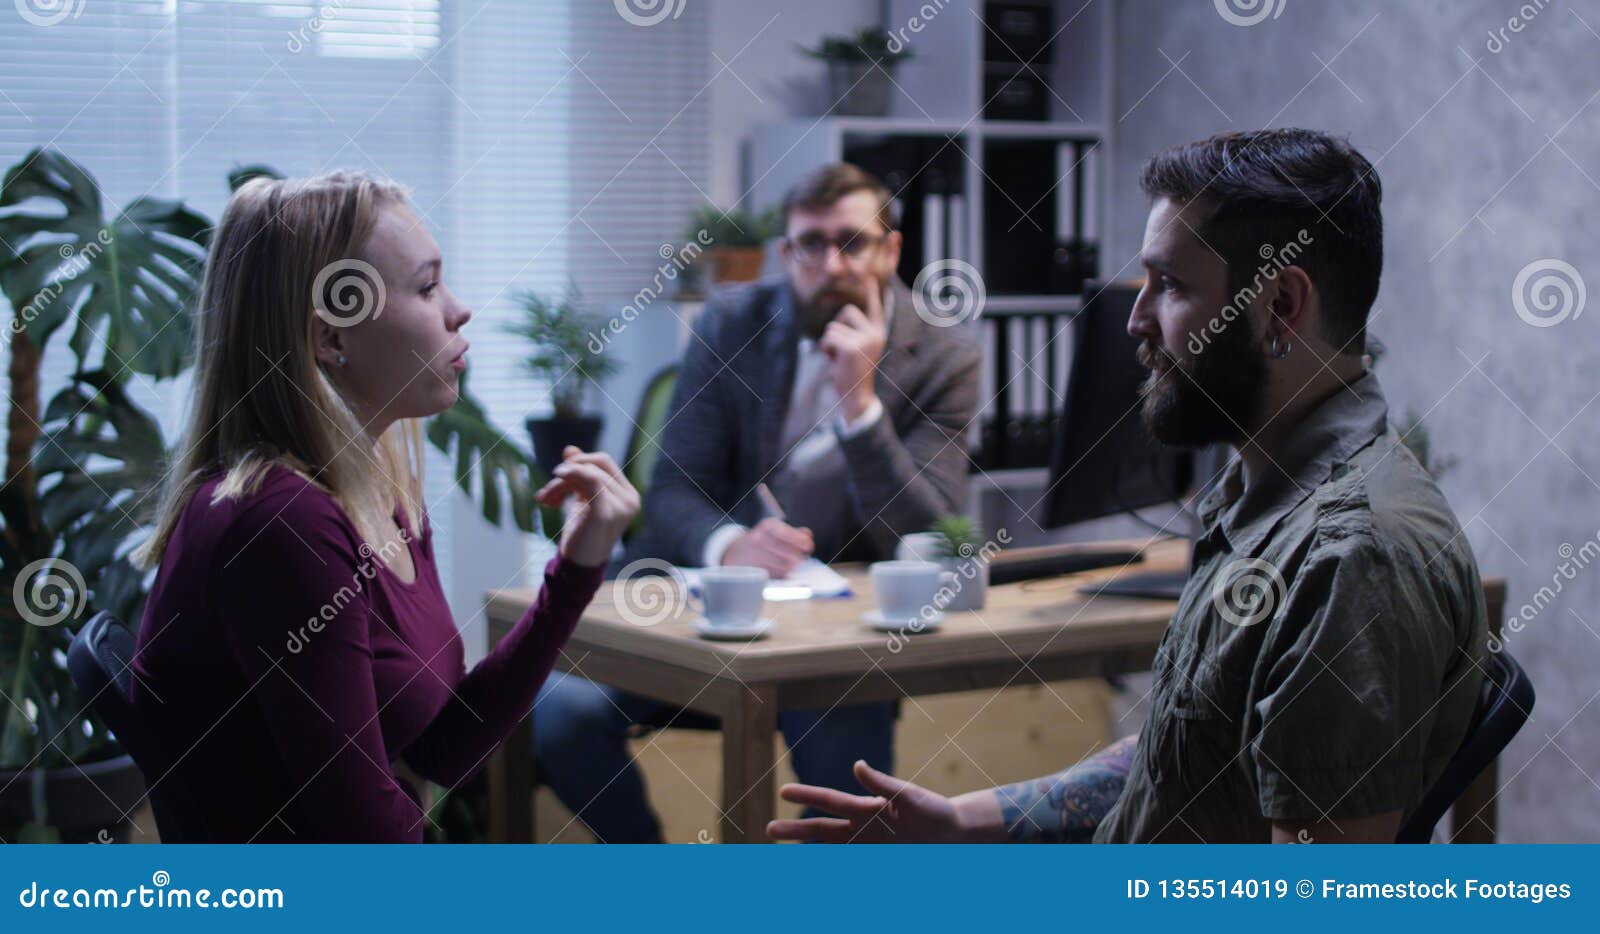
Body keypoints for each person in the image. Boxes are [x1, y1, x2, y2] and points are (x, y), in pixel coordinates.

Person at [769, 128, 1489, 844]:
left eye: (1170, 286)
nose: (1137, 320)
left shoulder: (1349, 560)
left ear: (1281, 308)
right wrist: (964, 821)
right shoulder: (1262, 497)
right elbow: (1181, 757)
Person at [131, 171, 639, 842]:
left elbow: (444, 747)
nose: (459, 309)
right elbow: (369, 844)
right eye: (427, 288)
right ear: (330, 340)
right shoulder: (283, 524)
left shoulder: (374, 486)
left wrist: (577, 564)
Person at [533, 162, 982, 842]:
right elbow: (674, 488)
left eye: (852, 242)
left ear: (890, 250)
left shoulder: (944, 357)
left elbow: (926, 533)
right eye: (810, 244)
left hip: (836, 646)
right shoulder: (733, 320)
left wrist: (860, 408)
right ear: (786, 252)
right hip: (700, 613)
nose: (830, 263)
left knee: (846, 804)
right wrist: (730, 546)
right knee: (558, 712)